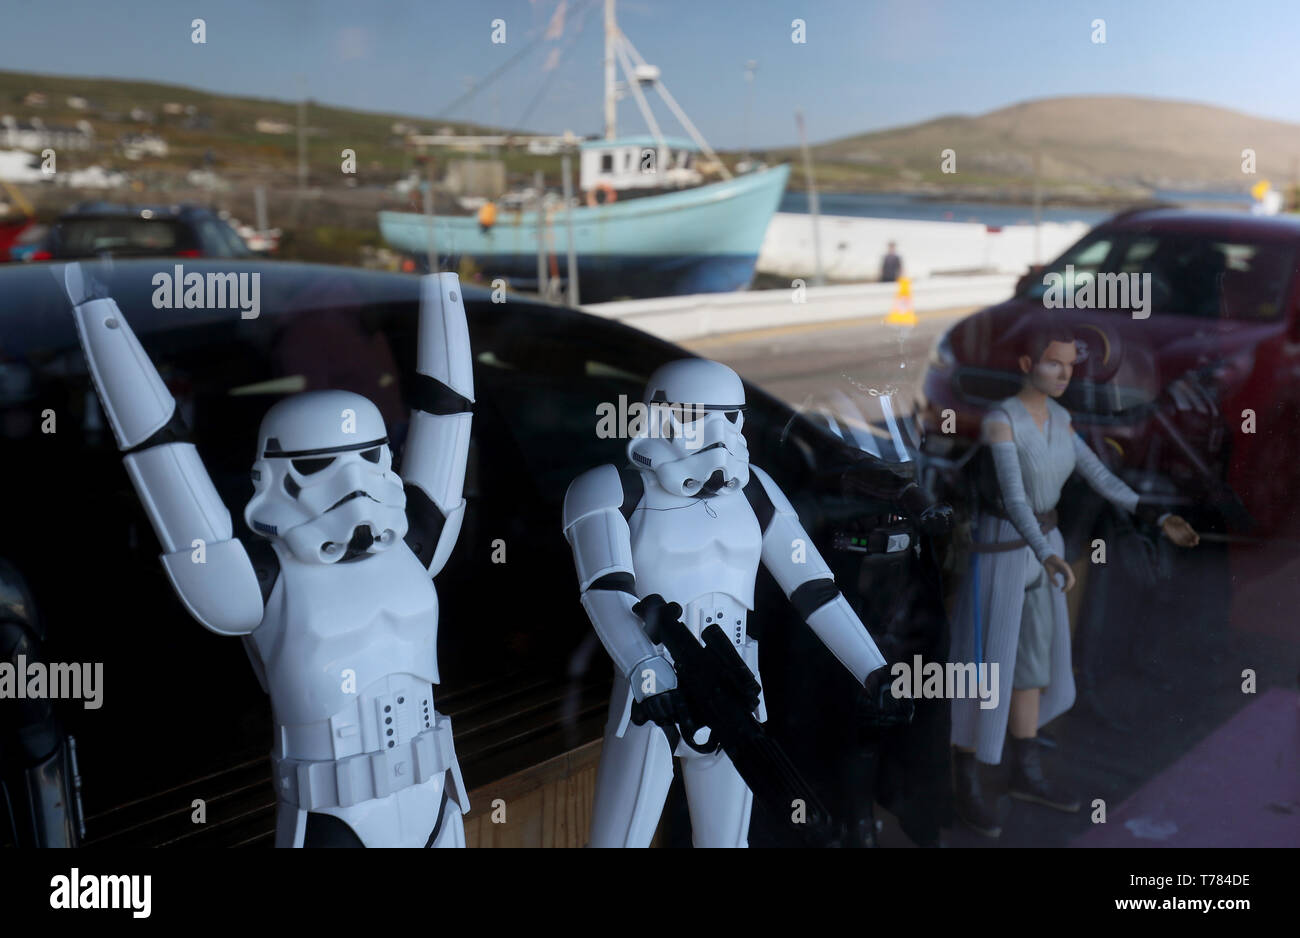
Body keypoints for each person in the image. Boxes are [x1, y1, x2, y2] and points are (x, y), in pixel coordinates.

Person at [948, 321, 1198, 838]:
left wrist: (1153, 516)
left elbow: (1101, 477)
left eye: (1068, 365)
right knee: (985, 668)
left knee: (1032, 664)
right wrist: (1044, 552)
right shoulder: (1002, 421)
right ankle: (967, 782)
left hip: (1043, 554)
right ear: (1026, 366)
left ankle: (1024, 769)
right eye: (1052, 363)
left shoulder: (1060, 420)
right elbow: (1015, 498)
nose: (1063, 374)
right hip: (1003, 553)